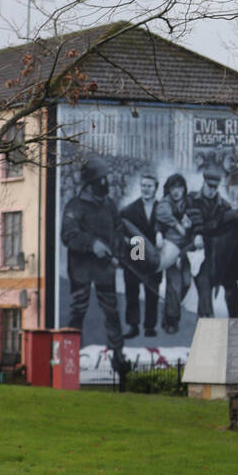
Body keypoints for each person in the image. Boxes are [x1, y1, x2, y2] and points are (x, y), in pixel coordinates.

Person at [61, 155, 130, 376]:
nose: (106, 183)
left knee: (112, 312)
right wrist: (92, 244)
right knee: (77, 312)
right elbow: (68, 235)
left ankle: (119, 358)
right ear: (91, 182)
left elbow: (120, 230)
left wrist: (123, 253)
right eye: (103, 179)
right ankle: (68, 360)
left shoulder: (109, 205)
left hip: (104, 271)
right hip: (81, 271)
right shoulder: (75, 206)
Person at [188, 164, 238, 317]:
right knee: (204, 288)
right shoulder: (191, 198)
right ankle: (206, 321)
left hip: (214, 254)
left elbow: (228, 232)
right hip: (194, 251)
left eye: (215, 187)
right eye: (209, 186)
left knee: (210, 289)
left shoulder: (224, 206)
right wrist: (198, 233)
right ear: (203, 183)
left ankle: (205, 323)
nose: (212, 190)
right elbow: (193, 218)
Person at [155, 173, 203, 333]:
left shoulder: (189, 202)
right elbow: (159, 223)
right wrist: (160, 234)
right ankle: (171, 321)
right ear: (168, 189)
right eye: (173, 187)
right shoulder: (164, 203)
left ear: (184, 189)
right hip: (171, 248)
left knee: (186, 283)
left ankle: (169, 309)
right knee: (174, 285)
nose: (176, 191)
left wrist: (191, 226)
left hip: (187, 249)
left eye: (179, 187)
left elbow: (197, 220)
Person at [121, 170, 162, 338]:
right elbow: (120, 231)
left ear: (155, 188)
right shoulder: (129, 210)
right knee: (132, 291)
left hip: (154, 258)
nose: (146, 189)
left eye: (149, 186)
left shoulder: (162, 209)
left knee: (152, 291)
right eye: (143, 186)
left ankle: (150, 326)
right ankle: (133, 326)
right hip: (135, 256)